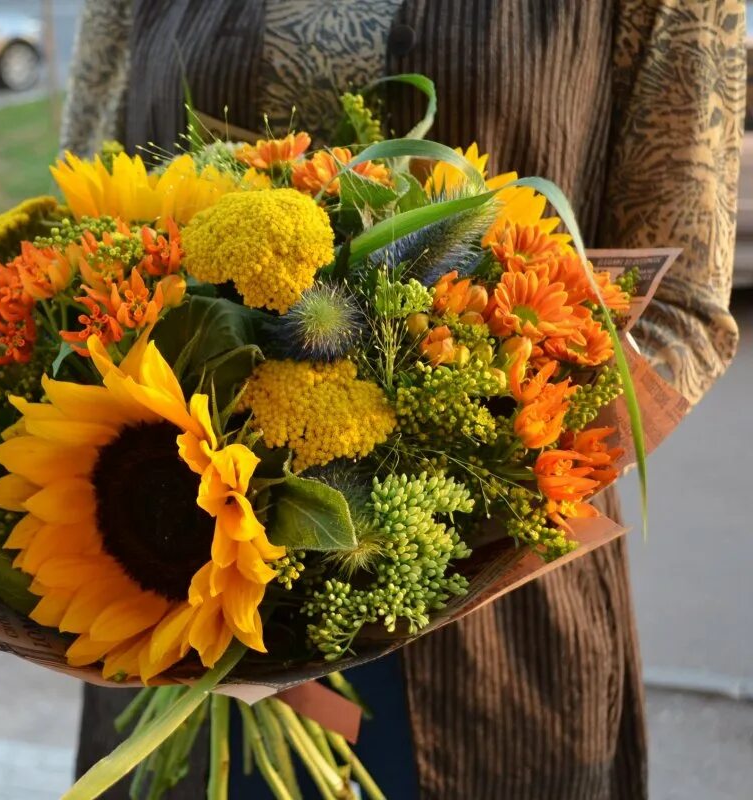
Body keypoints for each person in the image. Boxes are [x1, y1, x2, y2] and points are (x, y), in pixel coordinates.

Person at [60, 2, 743, 798]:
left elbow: (681, 311)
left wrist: (447, 493)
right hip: (181, 602)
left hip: (491, 637)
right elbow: (86, 240)